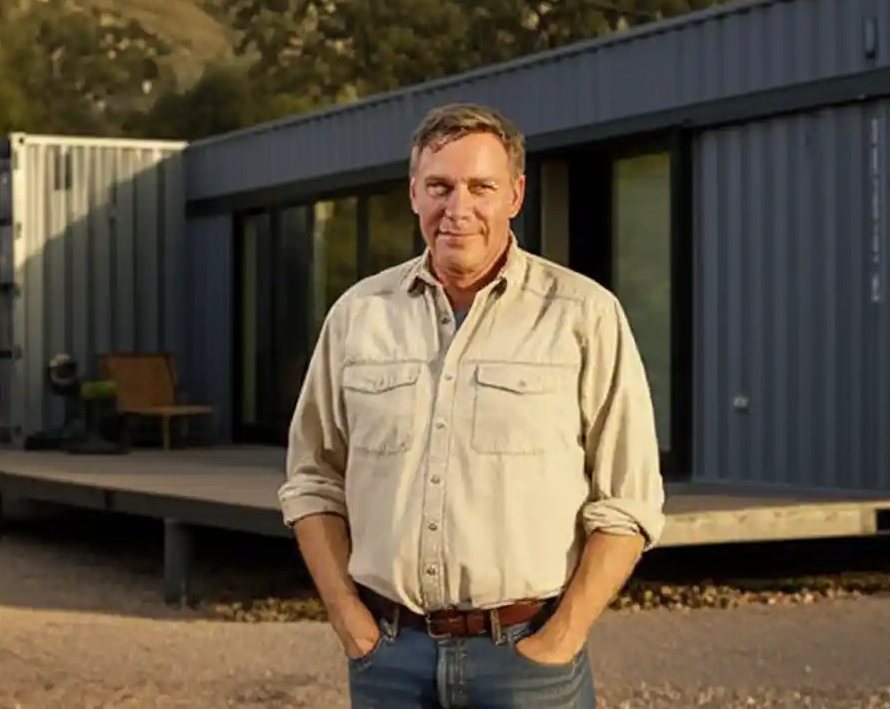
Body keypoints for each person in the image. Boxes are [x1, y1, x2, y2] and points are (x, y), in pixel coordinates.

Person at [278, 102, 666, 708]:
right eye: (439, 186)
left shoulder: (582, 315)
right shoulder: (359, 315)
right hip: (388, 661)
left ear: (515, 194)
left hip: (529, 661)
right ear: (413, 194)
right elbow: (311, 480)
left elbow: (629, 500)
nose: (457, 209)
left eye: (480, 187)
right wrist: (350, 622)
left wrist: (563, 635)